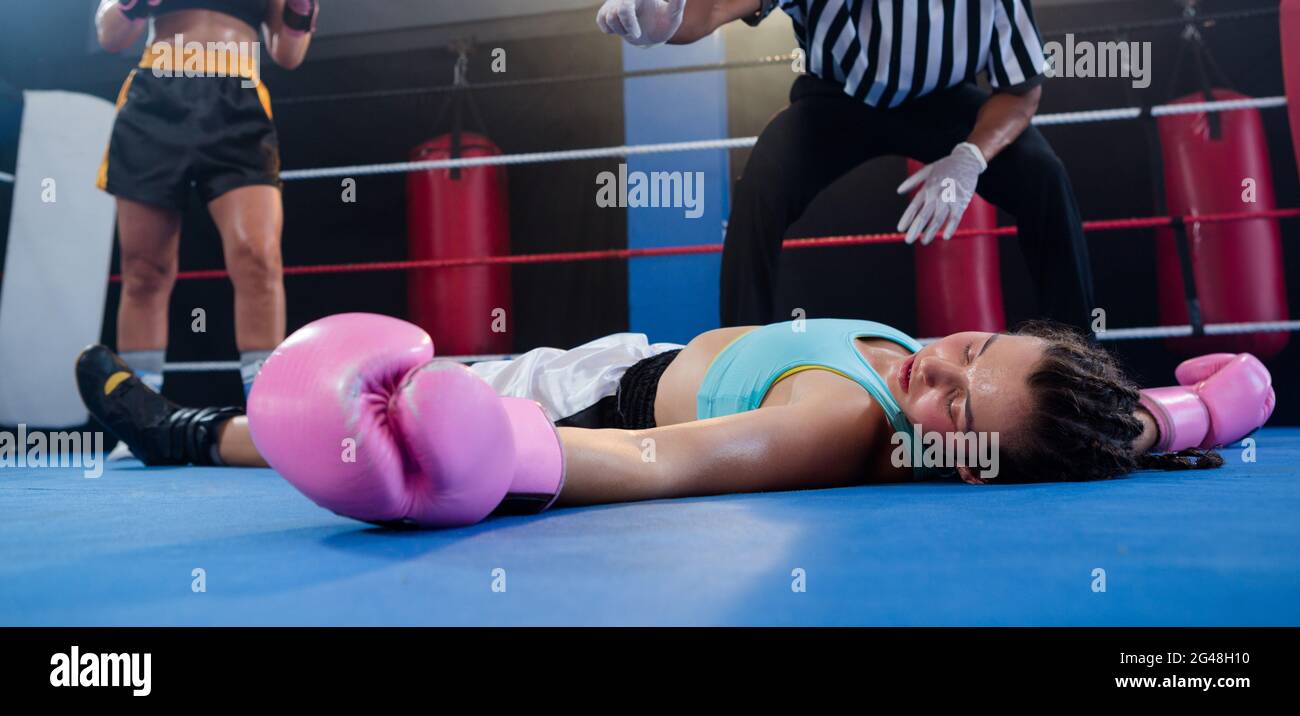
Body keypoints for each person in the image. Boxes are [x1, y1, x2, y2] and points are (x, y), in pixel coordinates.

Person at [75, 312, 1274, 527]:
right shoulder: (1049, 403)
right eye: (967, 351)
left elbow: (661, 460)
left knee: (342, 414)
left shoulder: (838, 425)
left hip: (593, 399)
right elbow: (1122, 423)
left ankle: (175, 428)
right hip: (621, 353)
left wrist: (505, 456)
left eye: (958, 405)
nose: (939, 375)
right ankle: (180, 416)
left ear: (959, 456)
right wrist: (1194, 408)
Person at [596, 0, 1094, 335]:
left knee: (1044, 176)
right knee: (760, 184)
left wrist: (969, 157)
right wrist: (665, 20)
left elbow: (1021, 89)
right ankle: (740, 356)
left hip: (945, 104)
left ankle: (1080, 365)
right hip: (838, 103)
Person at [93, 0, 318, 400]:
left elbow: (287, 55)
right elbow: (109, 35)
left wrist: (300, 4)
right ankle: (141, 414)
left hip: (237, 103)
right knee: (144, 270)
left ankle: (268, 410)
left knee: (258, 257)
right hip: (158, 97)